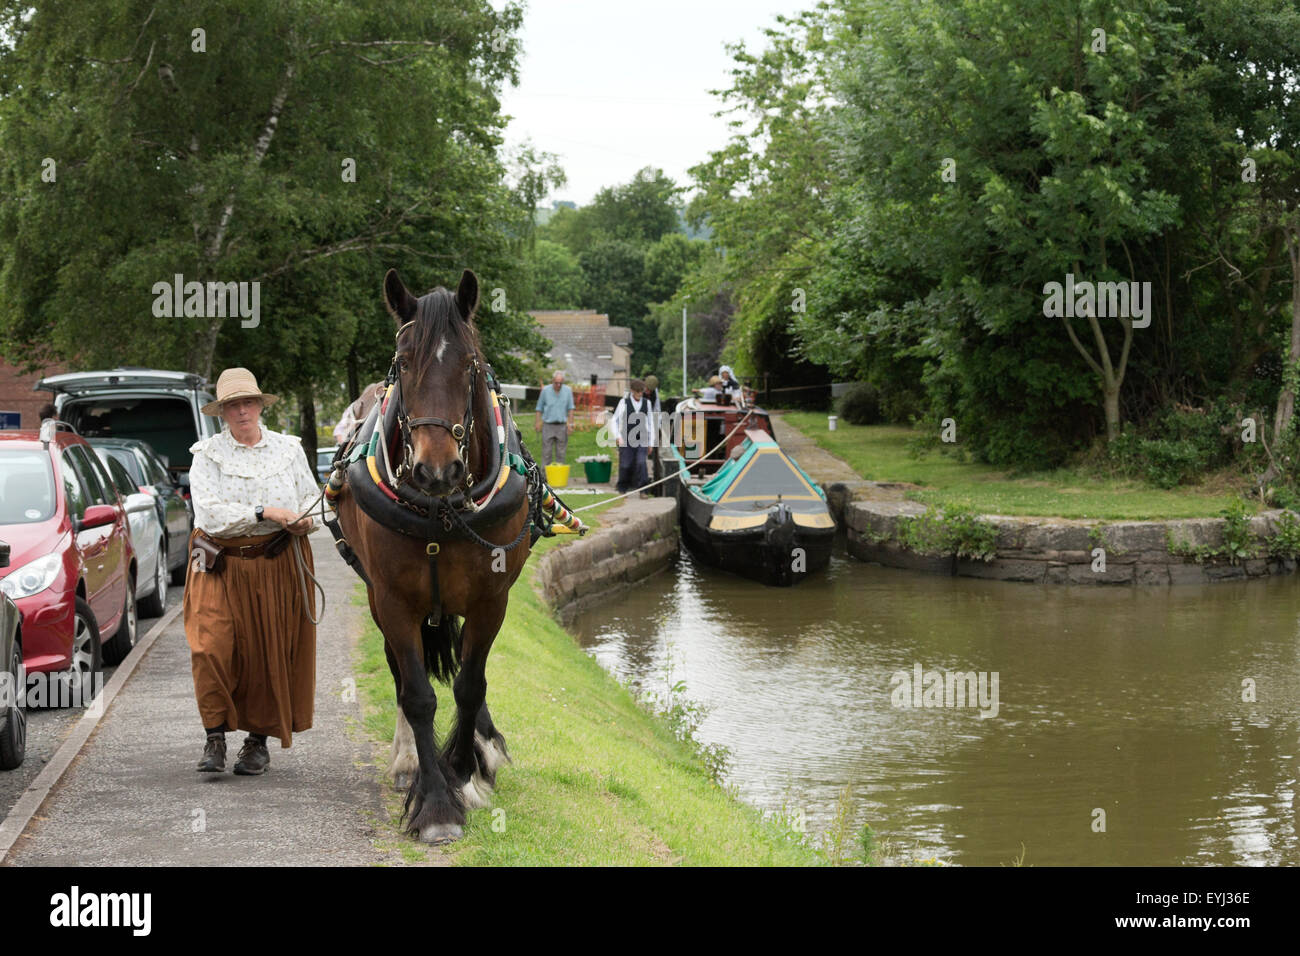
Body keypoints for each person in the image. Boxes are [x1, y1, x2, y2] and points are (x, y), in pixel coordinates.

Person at [184, 367, 321, 776]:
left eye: (248, 402)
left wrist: (304, 521)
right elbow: (209, 513)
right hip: (216, 561)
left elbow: (314, 499)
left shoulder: (289, 450)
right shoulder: (206, 455)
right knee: (209, 646)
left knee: (267, 651)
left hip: (276, 559)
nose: (242, 411)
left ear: (260, 405)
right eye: (232, 405)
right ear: (222, 412)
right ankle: (214, 737)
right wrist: (265, 511)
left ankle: (256, 744)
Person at [609, 378, 653, 497]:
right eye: (638, 391)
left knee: (641, 463)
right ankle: (622, 488)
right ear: (632, 391)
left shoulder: (647, 403)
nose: (640, 394)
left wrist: (651, 442)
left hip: (642, 438)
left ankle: (643, 490)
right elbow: (614, 420)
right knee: (625, 464)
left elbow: (650, 423)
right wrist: (618, 436)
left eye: (641, 391)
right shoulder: (623, 402)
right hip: (626, 438)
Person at [534, 370, 575, 466]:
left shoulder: (568, 391)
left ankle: (558, 477)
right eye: (556, 382)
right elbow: (539, 408)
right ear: (552, 381)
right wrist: (537, 422)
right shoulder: (545, 391)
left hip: (561, 426)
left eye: (561, 383)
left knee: (561, 453)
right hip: (548, 426)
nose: (558, 385)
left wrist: (571, 424)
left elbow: (571, 409)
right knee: (546, 453)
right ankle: (544, 477)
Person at [643, 375, 664, 496]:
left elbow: (657, 409)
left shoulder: (654, 393)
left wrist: (658, 423)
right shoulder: (638, 391)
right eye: (647, 390)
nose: (649, 392)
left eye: (651, 390)